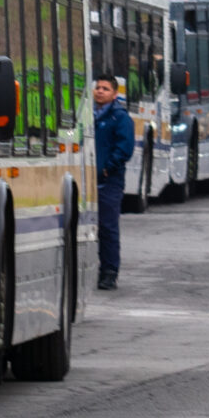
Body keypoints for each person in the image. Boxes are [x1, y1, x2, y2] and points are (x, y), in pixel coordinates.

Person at [92, 73, 135, 291]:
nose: (100, 91)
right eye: (98, 87)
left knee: (107, 228)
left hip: (109, 182)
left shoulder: (120, 118)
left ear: (115, 94)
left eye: (105, 89)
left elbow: (125, 147)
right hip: (87, 180)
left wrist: (108, 168)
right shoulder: (86, 116)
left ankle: (109, 272)